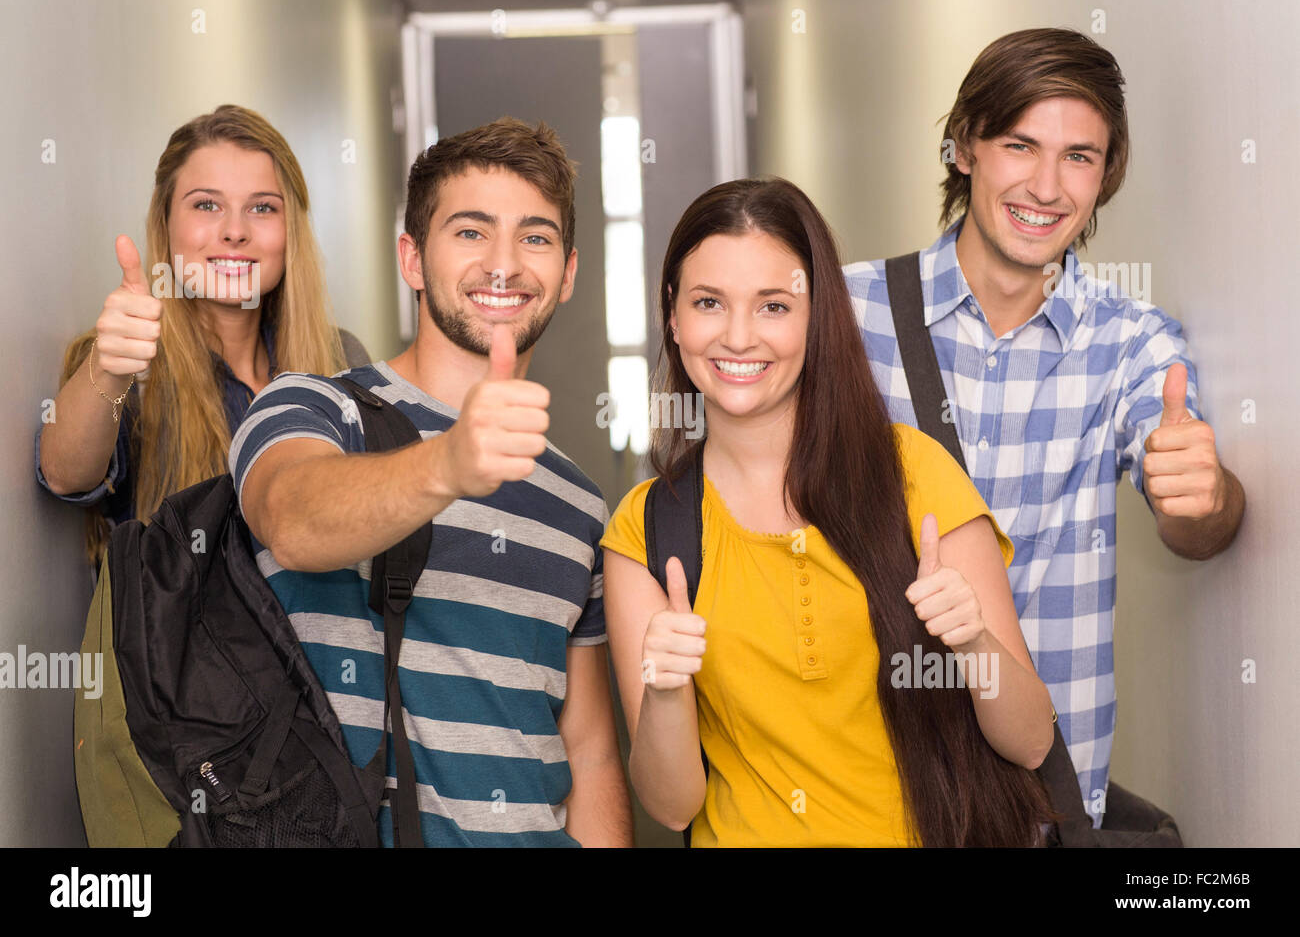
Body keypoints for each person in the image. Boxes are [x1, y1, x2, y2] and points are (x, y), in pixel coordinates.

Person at [843, 28, 1246, 827]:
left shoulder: (1134, 345)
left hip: (1045, 802)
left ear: (1106, 176)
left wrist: (1204, 498)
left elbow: (1197, 528)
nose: (1047, 186)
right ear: (964, 148)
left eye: (1080, 157)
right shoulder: (848, 317)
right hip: (864, 784)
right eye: (1020, 144)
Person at [600, 177, 1056, 846]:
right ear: (674, 316)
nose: (738, 337)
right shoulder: (646, 530)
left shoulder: (916, 474)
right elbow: (671, 806)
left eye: (774, 306)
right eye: (708, 303)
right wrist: (666, 692)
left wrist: (971, 642)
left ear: (818, 317)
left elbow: (1032, 742)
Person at [230, 117, 633, 847]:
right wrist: (450, 464)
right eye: (471, 233)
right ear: (412, 259)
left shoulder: (580, 505)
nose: (505, 265)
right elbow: (290, 517)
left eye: (535, 237)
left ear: (569, 274)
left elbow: (591, 752)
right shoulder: (312, 406)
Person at [37, 104, 368, 566]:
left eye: (262, 208)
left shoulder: (342, 356)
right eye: (206, 205)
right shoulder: (125, 359)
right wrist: (109, 371)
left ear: (292, 229)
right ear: (166, 221)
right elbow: (63, 476)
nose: (234, 231)